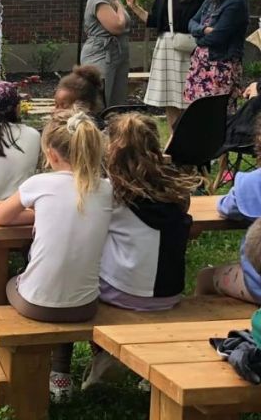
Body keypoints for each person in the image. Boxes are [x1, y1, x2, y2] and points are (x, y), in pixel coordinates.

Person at [0, 110, 112, 401]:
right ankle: (61, 373)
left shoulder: (39, 184)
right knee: (67, 284)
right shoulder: (107, 189)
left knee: (9, 282)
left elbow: (0, 217)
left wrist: (37, 214)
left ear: (50, 153)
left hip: (36, 304)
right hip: (86, 305)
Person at [80, 112, 200, 390]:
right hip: (169, 292)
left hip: (122, 291)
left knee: (76, 276)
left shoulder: (109, 192)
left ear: (111, 148)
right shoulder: (177, 189)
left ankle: (101, 356)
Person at [126, 0, 208, 129]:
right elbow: (155, 21)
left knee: (191, 97)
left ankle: (192, 138)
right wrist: (135, 7)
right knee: (170, 98)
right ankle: (174, 139)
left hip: (191, 48)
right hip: (167, 46)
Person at [196, 118, 261, 303]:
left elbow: (227, 207)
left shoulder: (252, 184)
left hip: (257, 285)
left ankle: (204, 325)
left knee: (206, 277)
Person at [184, 0, 251, 105]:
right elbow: (191, 22)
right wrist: (204, 30)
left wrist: (199, 37)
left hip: (220, 65)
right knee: (197, 111)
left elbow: (217, 38)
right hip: (201, 65)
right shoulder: (211, 0)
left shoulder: (236, 3)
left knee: (217, 112)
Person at [80, 0, 131, 108]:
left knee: (117, 103)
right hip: (101, 54)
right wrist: (120, 6)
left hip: (118, 54)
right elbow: (117, 27)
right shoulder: (99, 0)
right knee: (99, 101)